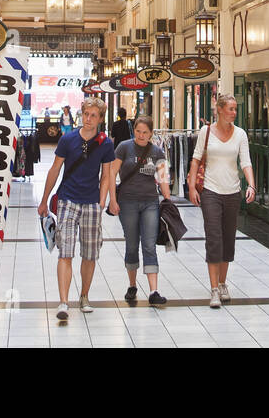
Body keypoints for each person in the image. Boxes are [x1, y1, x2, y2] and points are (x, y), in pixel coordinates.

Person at [38, 97, 115, 322]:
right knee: (66, 251)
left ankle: (84, 296)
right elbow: (55, 169)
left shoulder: (106, 143)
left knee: (90, 253)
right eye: (86, 114)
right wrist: (44, 200)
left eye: (94, 116)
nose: (89, 119)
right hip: (67, 200)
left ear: (100, 119)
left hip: (91, 202)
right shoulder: (68, 139)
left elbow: (107, 174)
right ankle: (63, 301)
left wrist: (102, 201)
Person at [187, 93, 254, 309]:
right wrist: (191, 187)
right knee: (214, 238)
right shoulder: (206, 132)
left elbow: (245, 162)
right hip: (210, 191)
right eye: (231, 109)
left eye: (235, 109)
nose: (234, 113)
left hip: (232, 192)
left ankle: (223, 282)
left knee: (228, 239)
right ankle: (214, 288)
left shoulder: (240, 134)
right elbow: (196, 159)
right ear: (220, 110)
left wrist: (251, 184)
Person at [108, 117, 170, 307]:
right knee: (132, 244)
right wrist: (112, 199)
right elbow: (112, 173)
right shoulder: (124, 148)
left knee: (149, 244)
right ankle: (132, 285)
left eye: (145, 132)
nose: (141, 136)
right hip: (127, 202)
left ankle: (154, 291)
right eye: (138, 132)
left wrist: (168, 199)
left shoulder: (157, 151)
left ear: (151, 133)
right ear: (133, 131)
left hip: (150, 202)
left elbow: (163, 178)